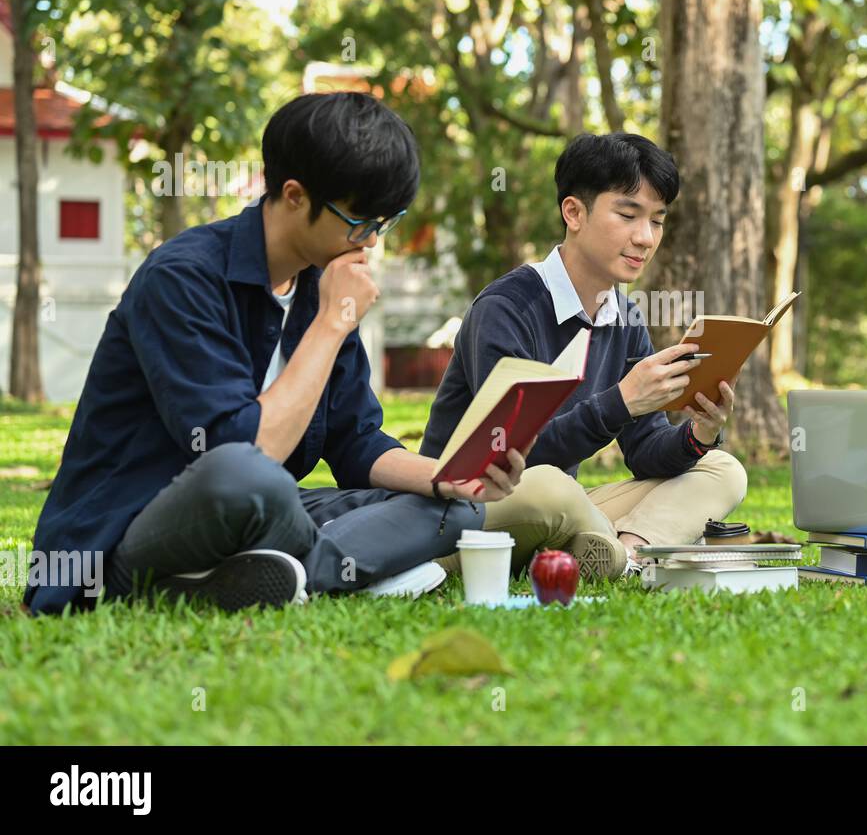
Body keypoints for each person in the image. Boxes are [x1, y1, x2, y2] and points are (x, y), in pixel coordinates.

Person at [22, 92, 529, 616]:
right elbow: (241, 450)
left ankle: (250, 578)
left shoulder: (321, 282)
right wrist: (332, 323)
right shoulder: (183, 277)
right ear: (294, 196)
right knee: (248, 477)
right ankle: (321, 572)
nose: (372, 242)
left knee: (454, 512)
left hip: (261, 513)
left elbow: (355, 441)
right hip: (133, 528)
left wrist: (448, 475)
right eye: (359, 221)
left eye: (386, 222)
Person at [421, 132, 748, 580]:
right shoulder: (507, 309)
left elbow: (646, 454)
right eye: (628, 214)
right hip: (465, 515)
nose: (645, 238)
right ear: (574, 212)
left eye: (657, 220)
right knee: (553, 488)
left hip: (559, 507)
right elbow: (502, 458)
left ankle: (627, 555)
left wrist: (699, 431)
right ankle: (596, 545)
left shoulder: (625, 318)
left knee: (723, 468)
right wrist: (622, 400)